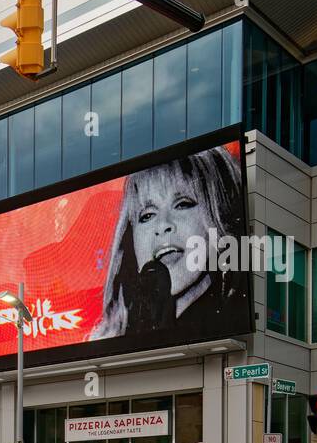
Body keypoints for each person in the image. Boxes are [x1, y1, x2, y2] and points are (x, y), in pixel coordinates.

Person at [91, 144, 245, 341]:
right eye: (147, 215)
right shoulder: (112, 339)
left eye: (182, 204)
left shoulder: (231, 324)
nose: (163, 225)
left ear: (221, 215)